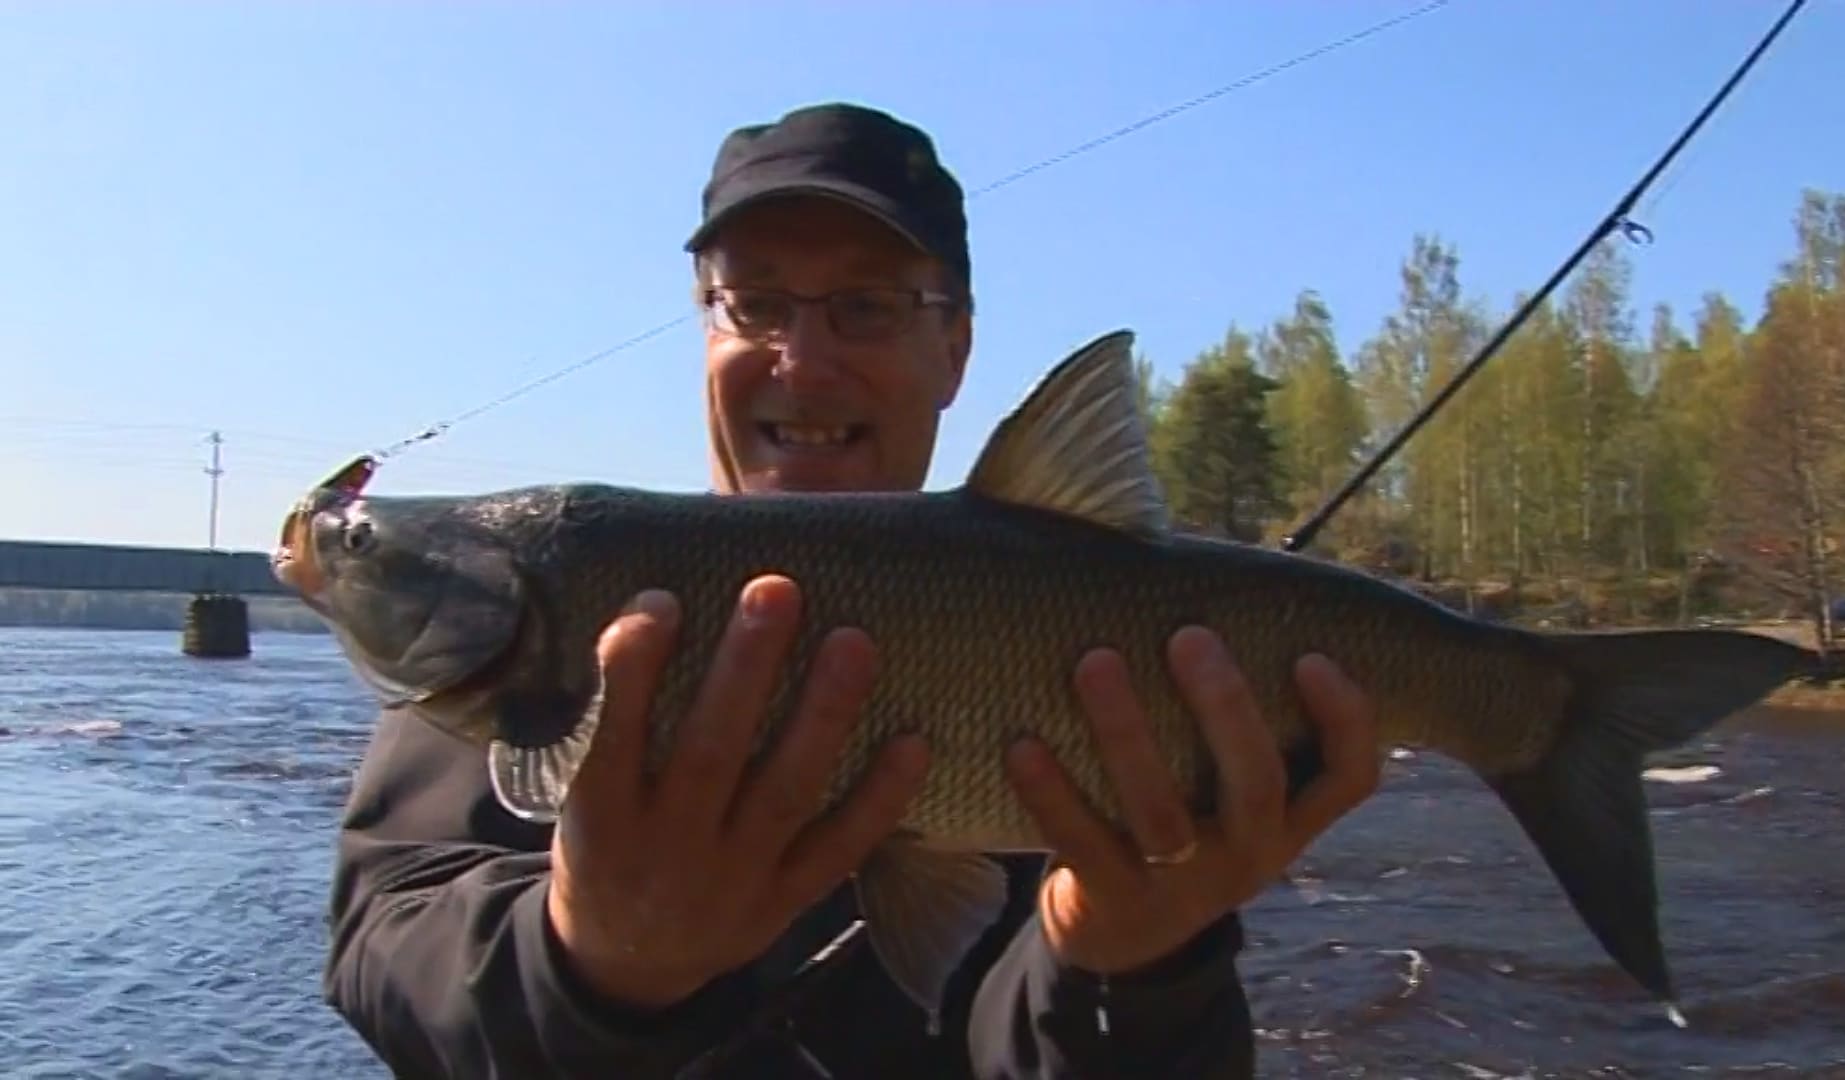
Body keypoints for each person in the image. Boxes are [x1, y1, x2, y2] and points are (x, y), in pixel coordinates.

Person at [322, 101, 1384, 1079]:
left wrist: (1130, 960)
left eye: (869, 307)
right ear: (706, 328)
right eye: (756, 303)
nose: (804, 358)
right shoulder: (555, 609)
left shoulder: (1098, 658)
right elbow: (384, 950)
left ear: (956, 348)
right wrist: (587, 960)